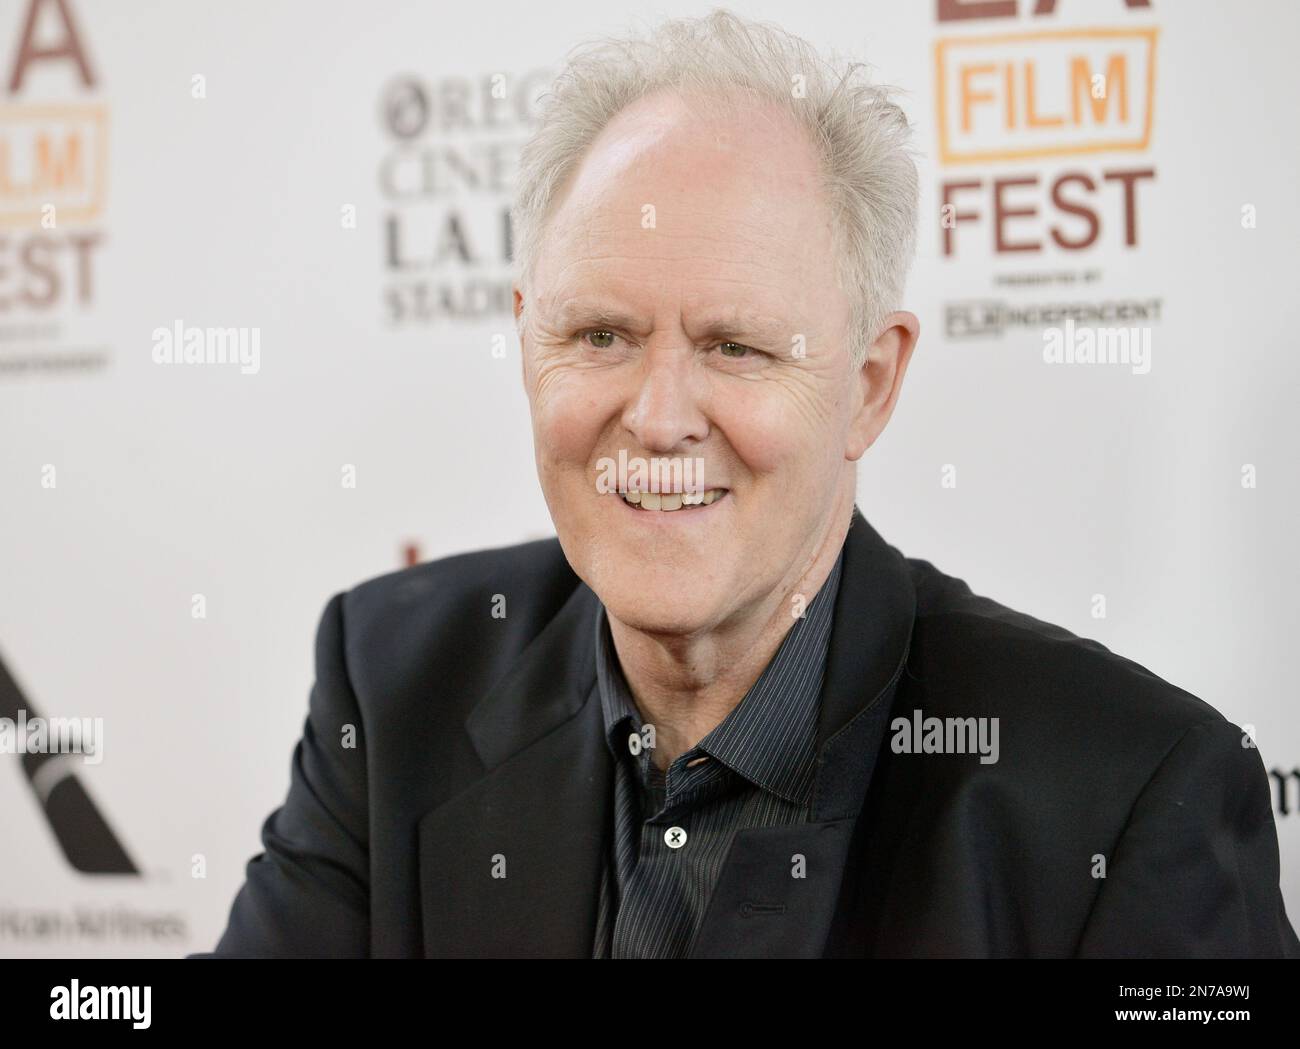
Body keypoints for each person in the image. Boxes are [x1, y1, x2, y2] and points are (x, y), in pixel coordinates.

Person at [200, 9, 1298, 958]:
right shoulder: (394, 684)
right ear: (526, 340)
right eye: (599, 333)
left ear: (869, 385)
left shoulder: (1130, 789)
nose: (660, 413)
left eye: (737, 346)